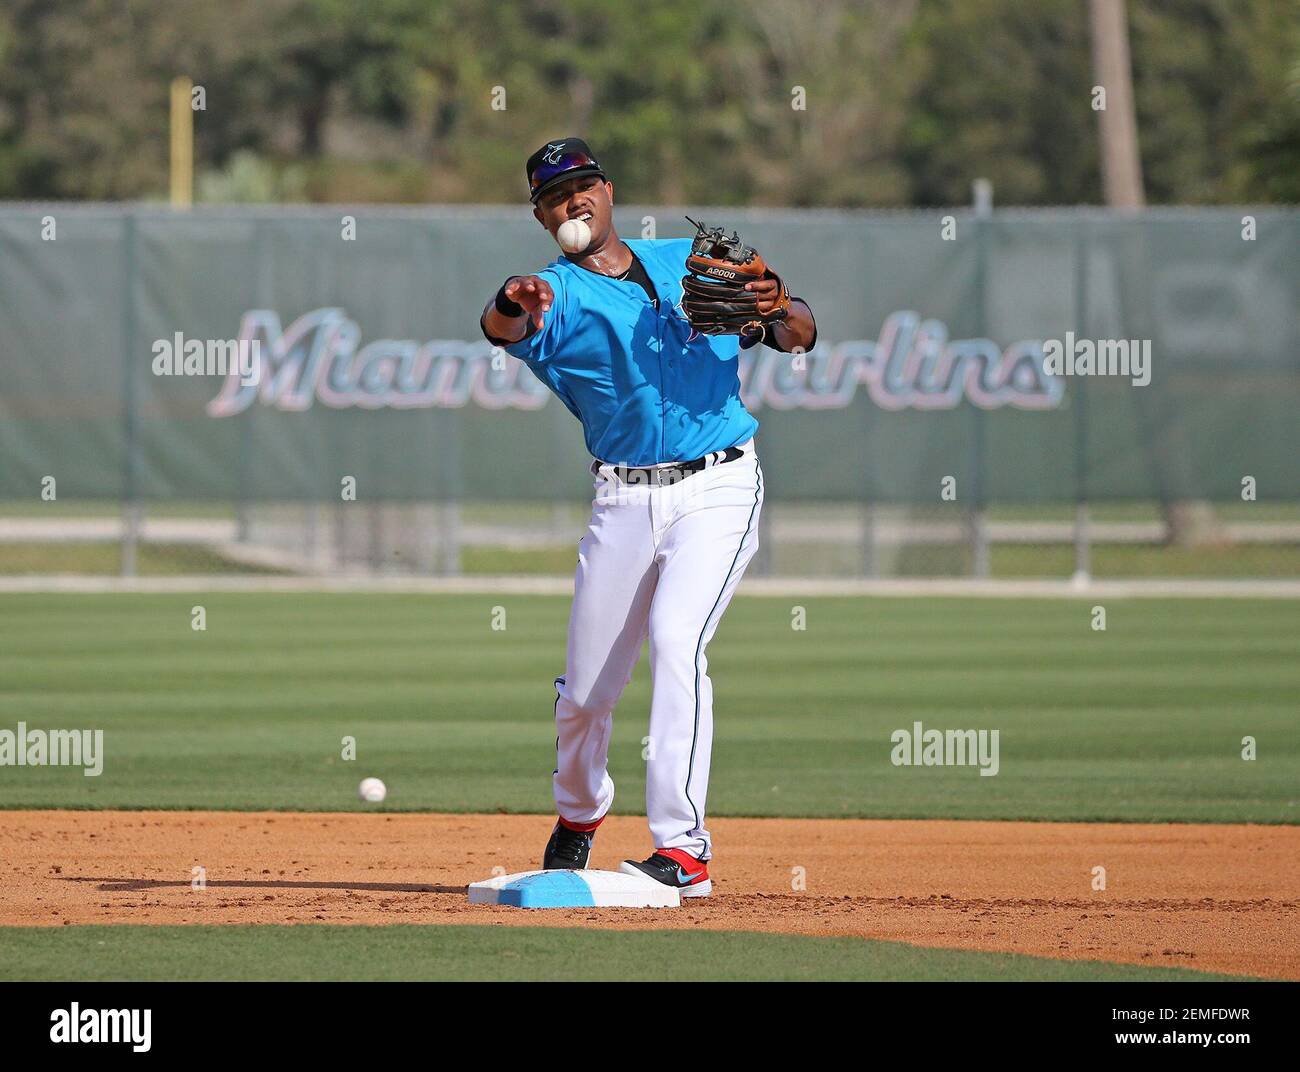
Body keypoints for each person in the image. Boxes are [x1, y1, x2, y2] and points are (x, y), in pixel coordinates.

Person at [480, 137, 817, 896]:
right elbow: (501, 330)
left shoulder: (682, 264)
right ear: (541, 214)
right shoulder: (553, 294)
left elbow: (798, 333)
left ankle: (683, 848)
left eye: (584, 184)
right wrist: (511, 302)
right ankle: (580, 813)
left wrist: (777, 305)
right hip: (624, 498)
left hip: (719, 485)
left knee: (676, 642)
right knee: (588, 696)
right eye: (556, 194)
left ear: (607, 189)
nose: (574, 200)